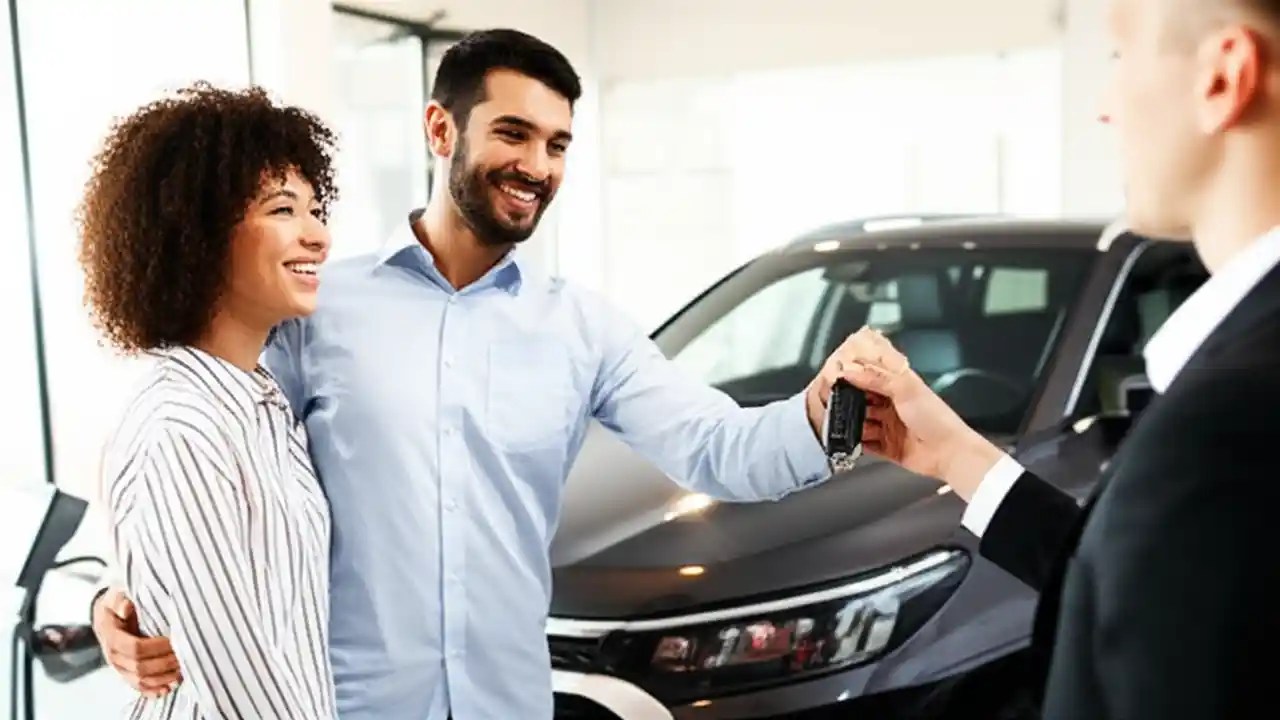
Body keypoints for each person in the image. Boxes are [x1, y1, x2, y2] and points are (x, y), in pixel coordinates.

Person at [90, 29, 874, 719]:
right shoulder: (316, 311)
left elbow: (721, 449)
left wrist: (827, 411)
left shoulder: (582, 329)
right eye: (514, 133)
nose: (537, 166)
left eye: (558, 145)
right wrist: (114, 601)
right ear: (441, 128)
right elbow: (203, 472)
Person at [833, 0, 1280, 717]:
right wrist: (954, 455)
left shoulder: (1226, 430)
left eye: (1120, 58)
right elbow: (1139, 591)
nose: (1105, 108)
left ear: (1223, 77)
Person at [80, 83, 341, 718]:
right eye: (283, 210)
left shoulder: (264, 401)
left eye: (315, 209)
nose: (317, 237)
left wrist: (119, 592)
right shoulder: (181, 423)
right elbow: (242, 686)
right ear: (196, 233)